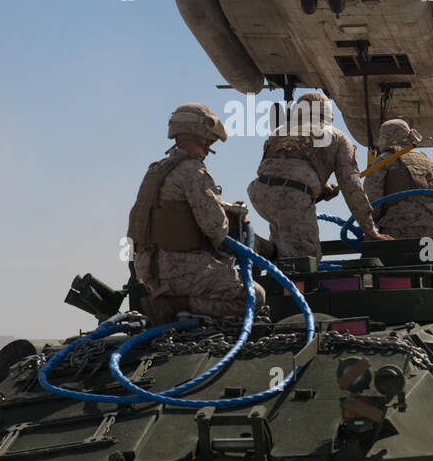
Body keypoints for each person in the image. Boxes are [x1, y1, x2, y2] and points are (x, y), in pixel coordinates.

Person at [128, 103, 264, 322]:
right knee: (254, 296)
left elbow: (172, 213)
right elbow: (215, 227)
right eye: (209, 138)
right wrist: (234, 220)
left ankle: (179, 307)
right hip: (180, 269)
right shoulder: (193, 170)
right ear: (201, 133)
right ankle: (177, 304)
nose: (210, 144)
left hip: (147, 270)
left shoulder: (156, 170)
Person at [247, 91, 388, 260]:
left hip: (259, 193)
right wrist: (369, 229)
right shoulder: (336, 136)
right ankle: (250, 242)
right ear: (326, 112)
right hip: (291, 198)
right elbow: (351, 185)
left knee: (283, 247)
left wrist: (316, 190)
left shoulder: (279, 131)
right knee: (306, 257)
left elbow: (281, 172)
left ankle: (254, 246)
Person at [363, 118, 433, 240]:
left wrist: (371, 228)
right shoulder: (425, 159)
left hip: (400, 230)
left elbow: (371, 203)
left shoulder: (383, 161)